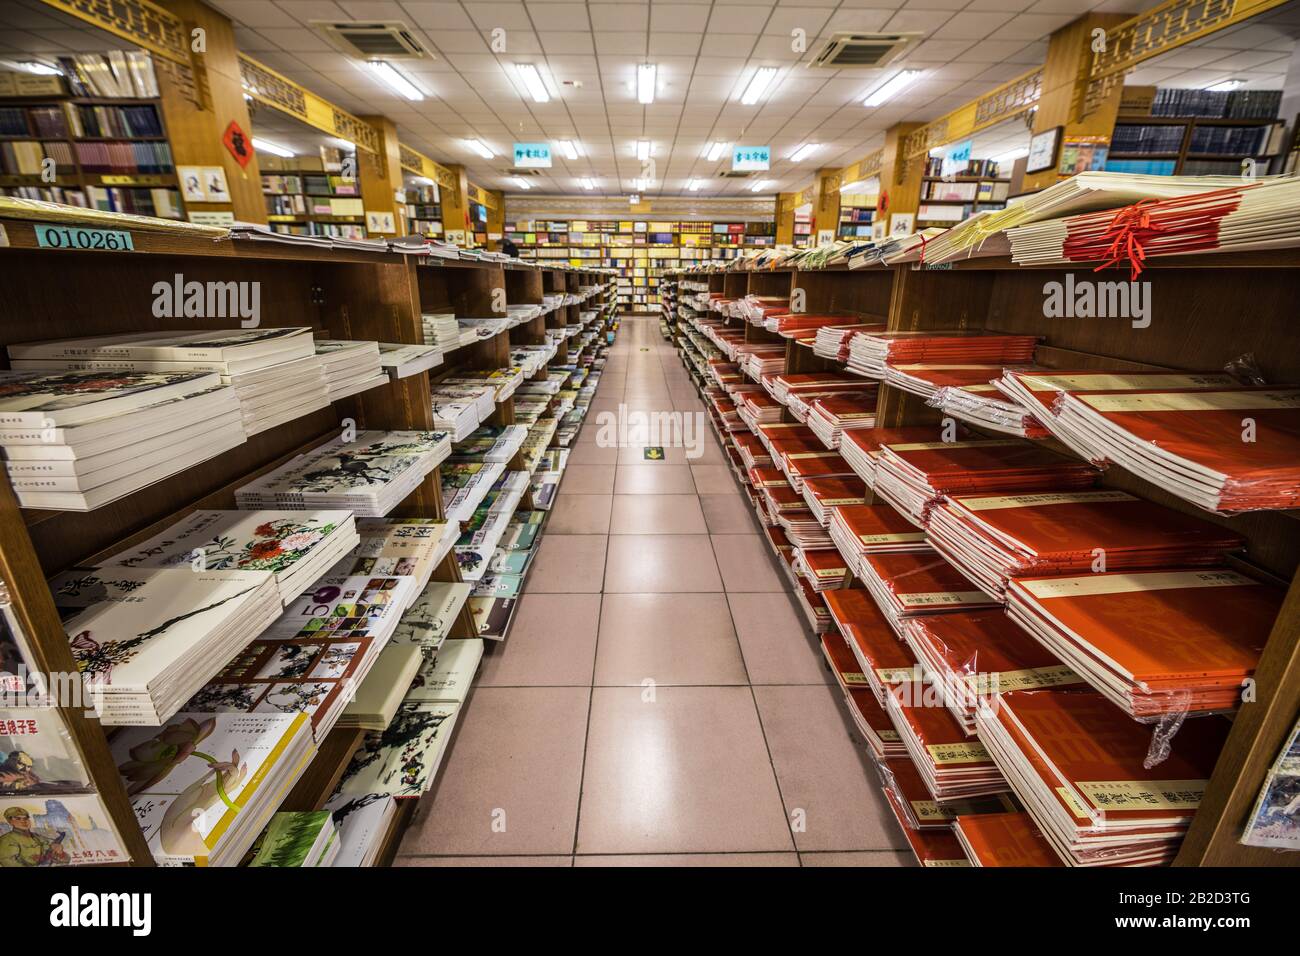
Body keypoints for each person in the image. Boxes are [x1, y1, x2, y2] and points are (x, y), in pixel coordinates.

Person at [0, 805, 69, 867]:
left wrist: (60, 853)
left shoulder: (38, 838)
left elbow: (65, 861)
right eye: (18, 819)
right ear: (10, 822)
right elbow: (9, 863)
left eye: (26, 818)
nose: (24, 821)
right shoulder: (6, 840)